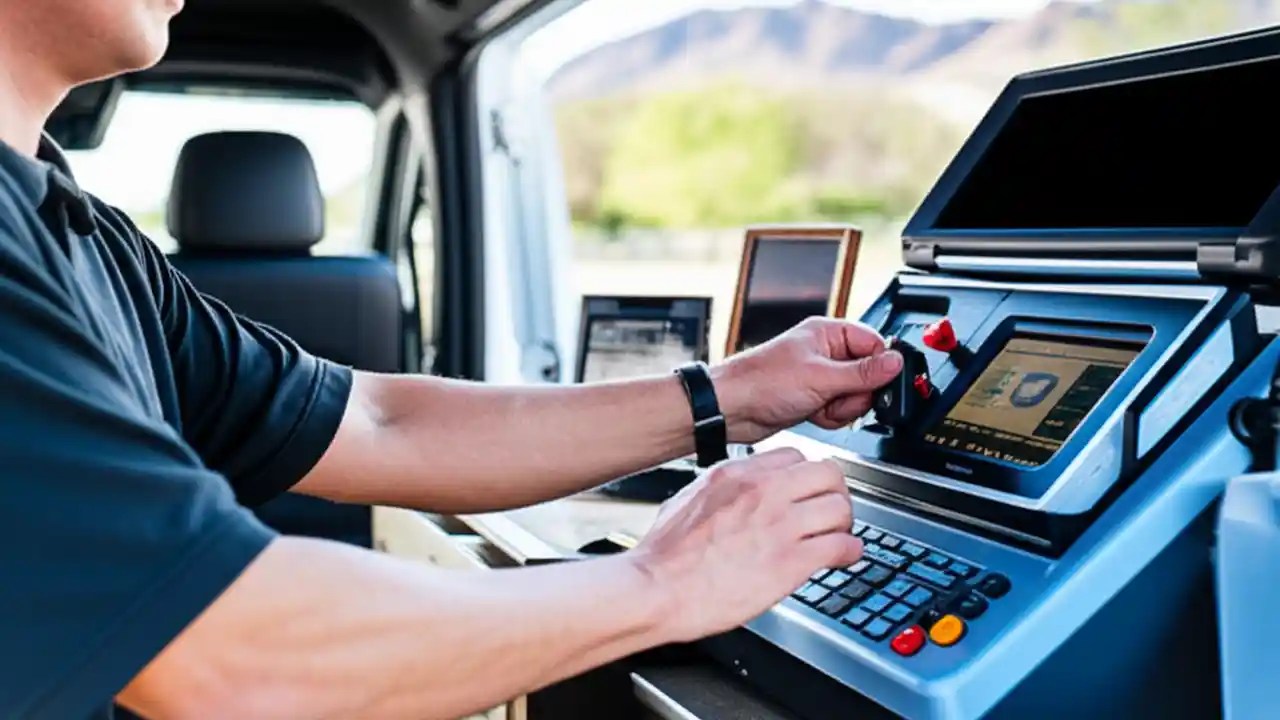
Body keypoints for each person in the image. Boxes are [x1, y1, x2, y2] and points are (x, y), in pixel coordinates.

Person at [0, 1, 904, 718]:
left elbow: (376, 423)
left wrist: (731, 392)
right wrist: (666, 578)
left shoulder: (78, 235)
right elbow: (227, 656)